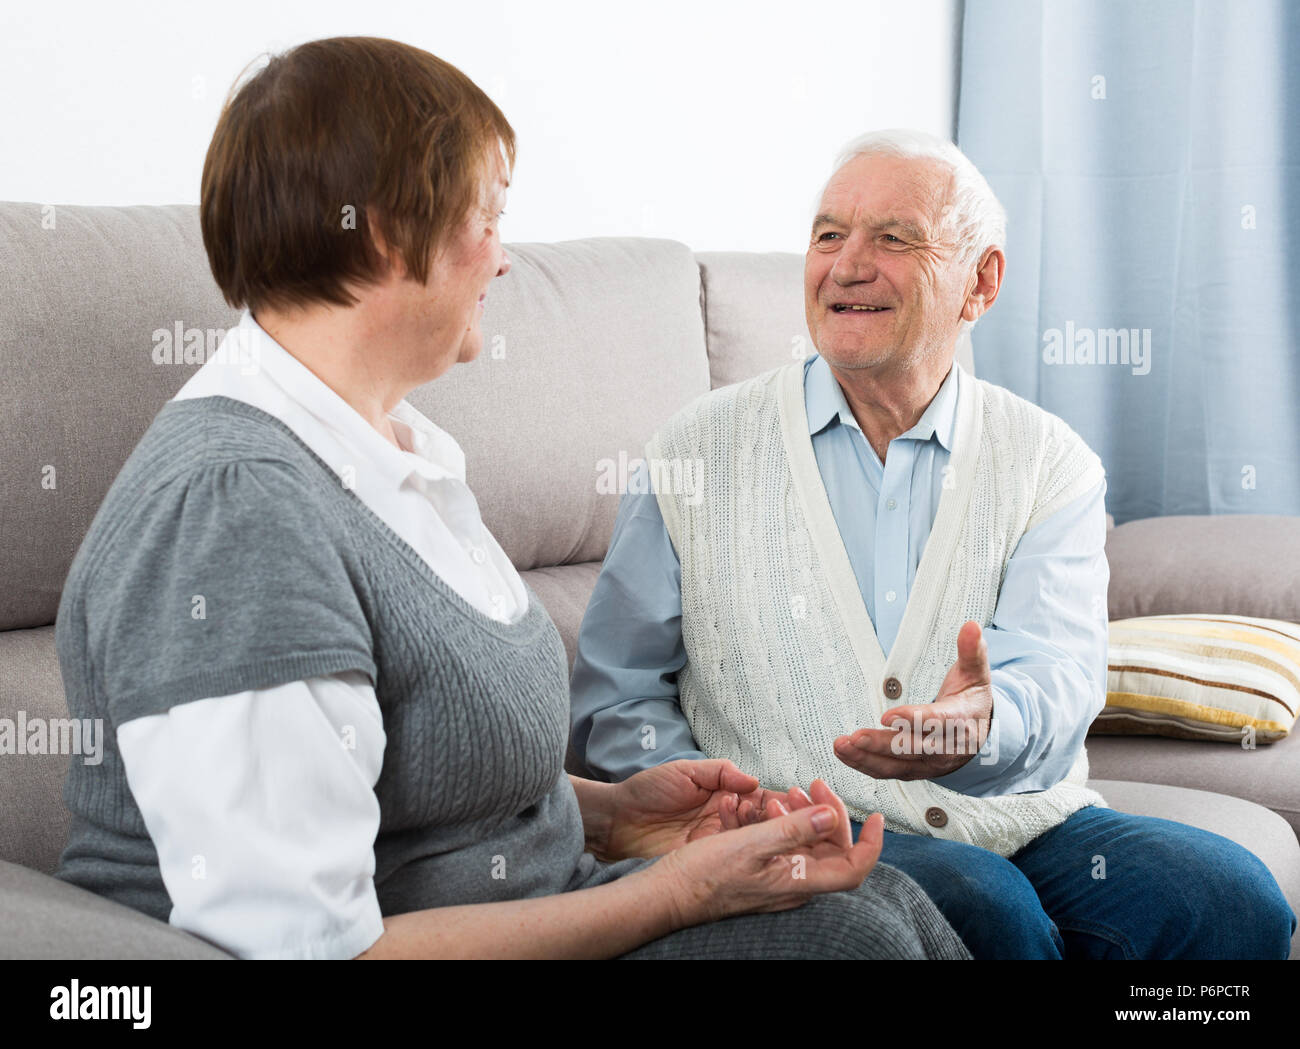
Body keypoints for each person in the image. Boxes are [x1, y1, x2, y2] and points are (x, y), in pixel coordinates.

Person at [50, 39, 969, 961]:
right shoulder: (232, 516)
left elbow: (419, 782)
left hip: (559, 892)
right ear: (383, 232)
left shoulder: (396, 453)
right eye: (487, 217)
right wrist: (682, 893)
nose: (503, 260)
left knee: (888, 897)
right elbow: (314, 952)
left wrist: (617, 817)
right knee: (852, 941)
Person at [570, 128, 1297, 960]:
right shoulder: (692, 453)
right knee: (983, 906)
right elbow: (618, 697)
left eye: (893, 238)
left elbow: (1055, 678)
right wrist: (713, 814)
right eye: (828, 234)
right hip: (804, 823)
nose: (847, 264)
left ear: (980, 281)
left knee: (1234, 900)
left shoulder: (1048, 461)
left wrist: (978, 727)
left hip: (1024, 821)